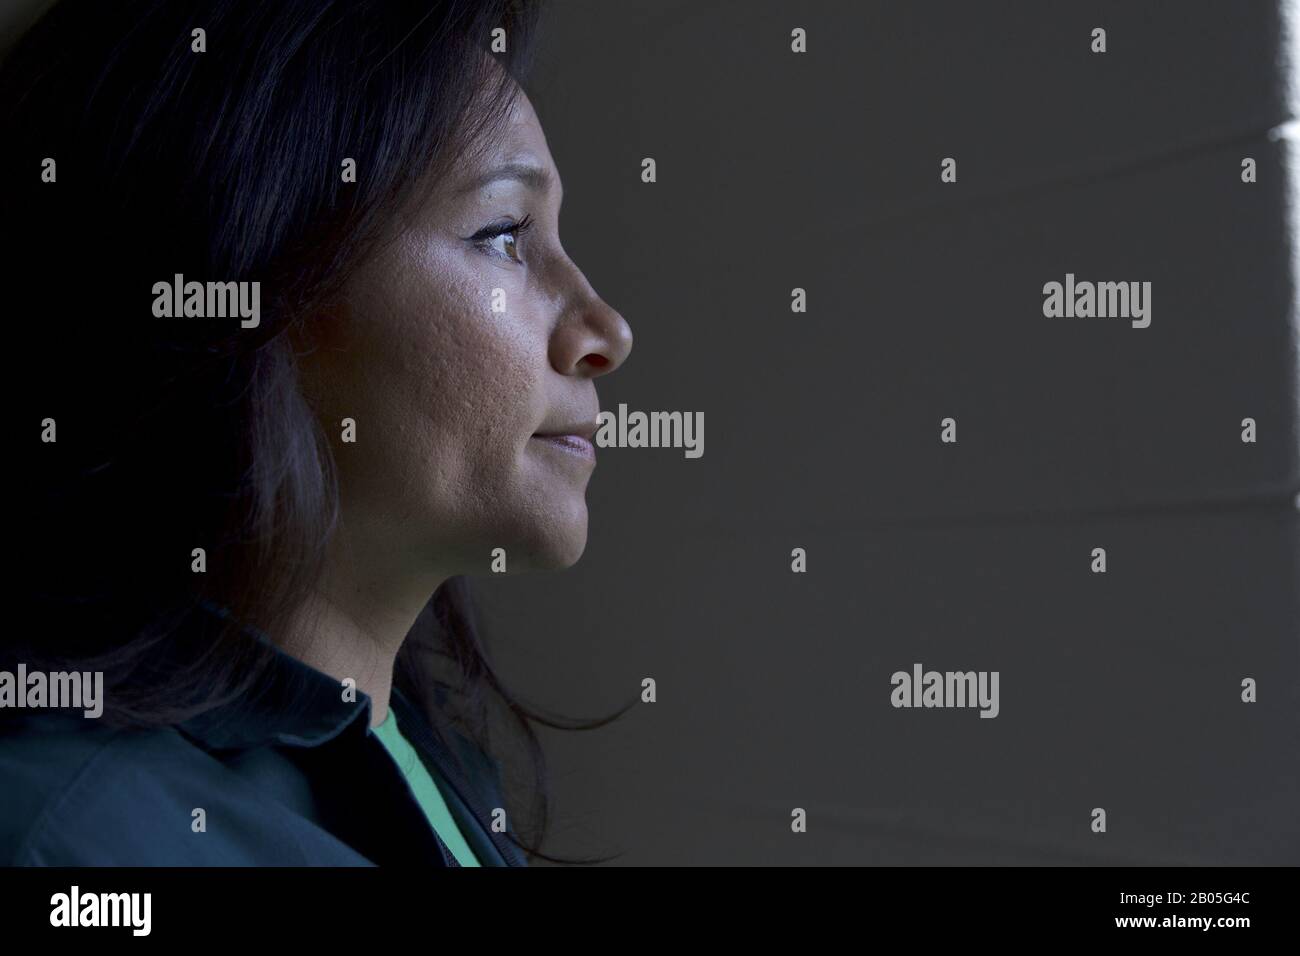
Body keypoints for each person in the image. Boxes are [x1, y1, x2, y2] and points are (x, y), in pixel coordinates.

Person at [0, 0, 634, 866]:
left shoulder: (425, 768)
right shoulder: (78, 839)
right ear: (248, 287)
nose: (604, 330)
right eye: (501, 234)